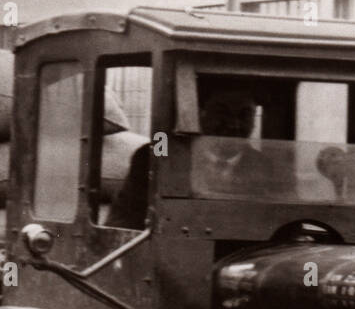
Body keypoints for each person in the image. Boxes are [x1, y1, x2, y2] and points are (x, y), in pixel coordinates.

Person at [104, 83, 271, 229]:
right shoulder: (152, 155)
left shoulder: (266, 167)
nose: (234, 124)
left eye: (244, 115)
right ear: (199, 113)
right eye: (222, 113)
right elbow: (122, 222)